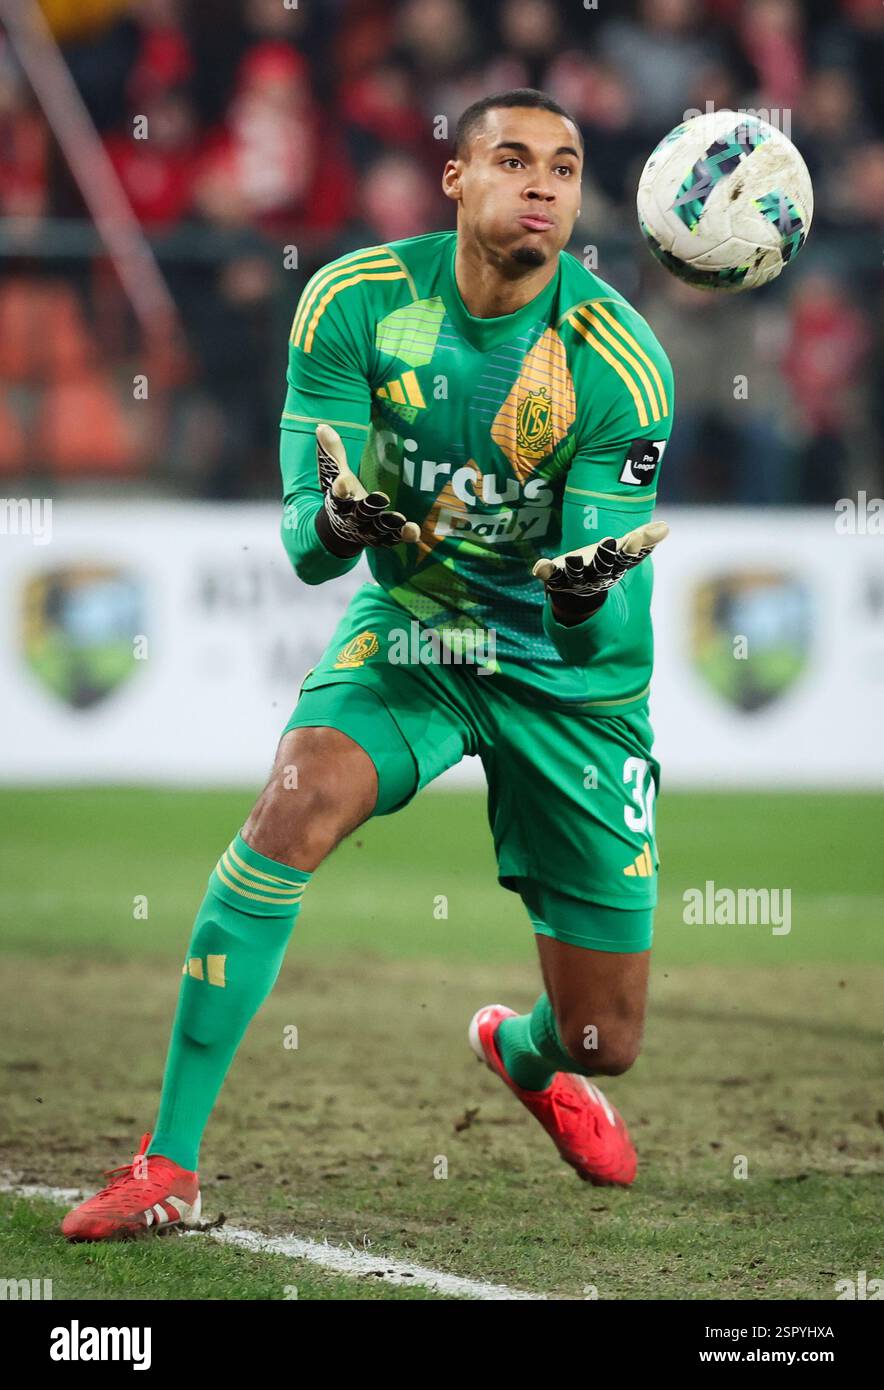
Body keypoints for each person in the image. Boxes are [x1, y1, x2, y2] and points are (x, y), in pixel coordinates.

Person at [61, 87, 674, 1239]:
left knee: (606, 1040)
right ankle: (168, 1163)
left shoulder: (617, 364)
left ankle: (524, 1052)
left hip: (571, 679)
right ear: (455, 180)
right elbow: (302, 545)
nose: (541, 181)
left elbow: (597, 619)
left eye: (564, 164)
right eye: (511, 157)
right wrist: (339, 525)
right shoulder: (353, 304)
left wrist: (586, 586)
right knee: (291, 809)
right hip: (418, 627)